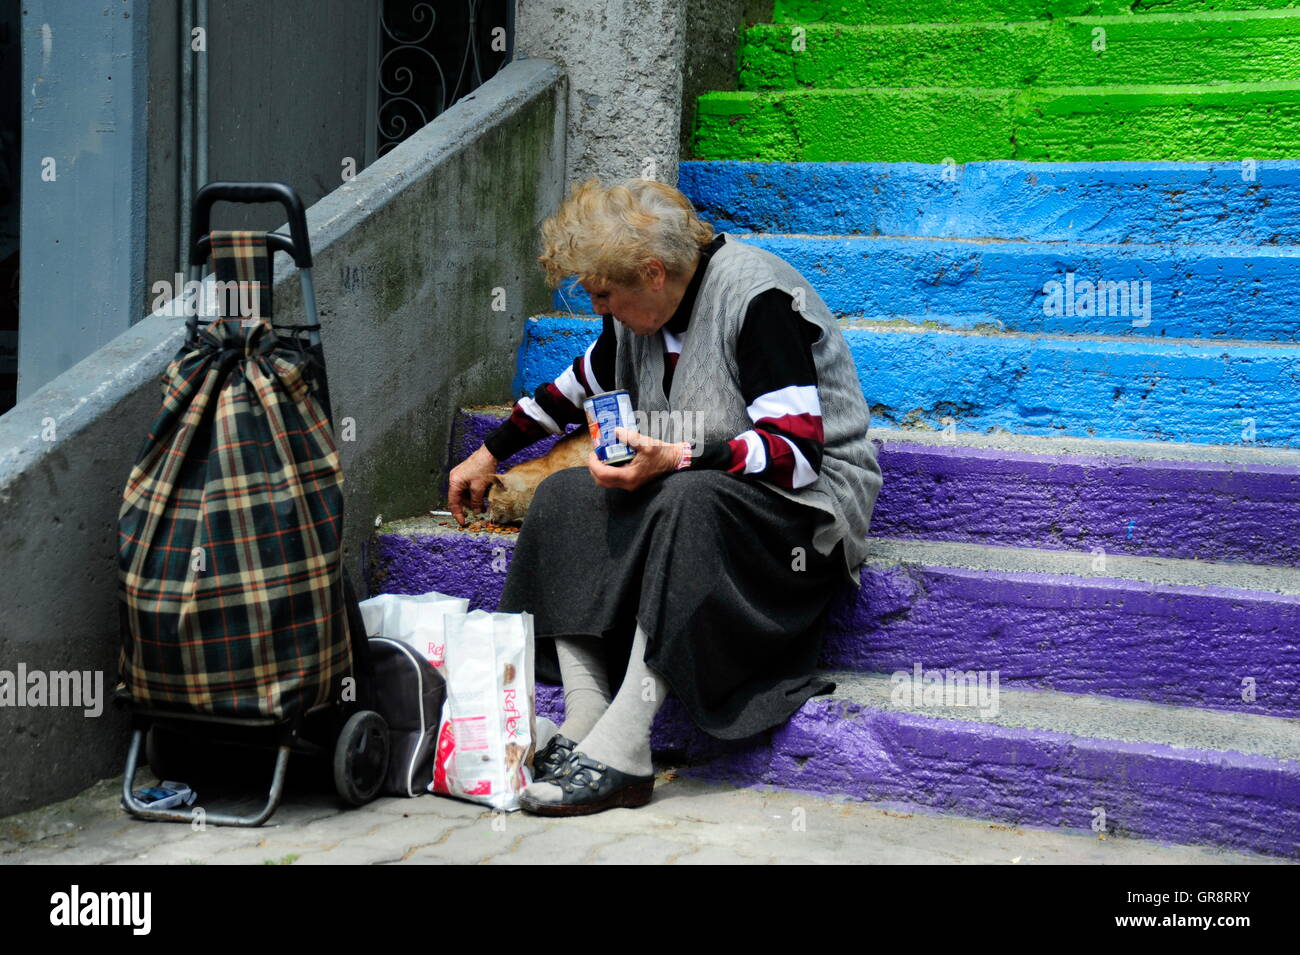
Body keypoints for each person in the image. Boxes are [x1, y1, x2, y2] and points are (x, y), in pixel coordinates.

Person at [446, 177, 883, 816]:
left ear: (652, 272)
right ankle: (586, 716)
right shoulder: (638, 315)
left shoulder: (758, 300)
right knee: (566, 494)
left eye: (605, 296)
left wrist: (677, 457)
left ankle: (627, 746)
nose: (603, 312)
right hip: (703, 496)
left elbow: (795, 454)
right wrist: (490, 451)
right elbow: (572, 389)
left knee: (690, 497)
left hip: (803, 517)